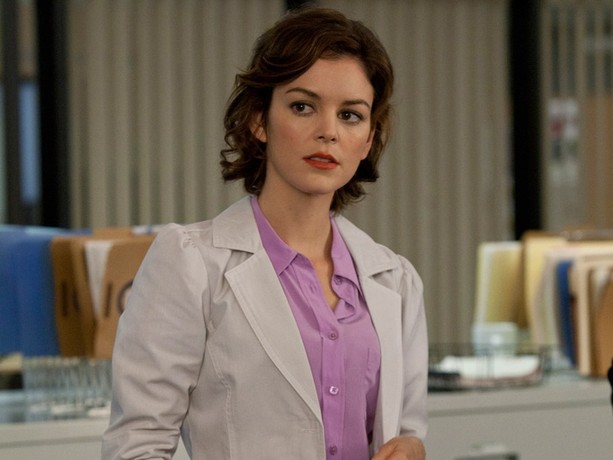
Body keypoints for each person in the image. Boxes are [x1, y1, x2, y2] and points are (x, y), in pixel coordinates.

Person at [102, 6, 427, 460]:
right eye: (302, 106)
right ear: (259, 120)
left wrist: (411, 446)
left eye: (350, 115)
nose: (328, 132)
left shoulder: (396, 280)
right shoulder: (191, 263)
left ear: (368, 139)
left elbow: (406, 428)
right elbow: (136, 446)